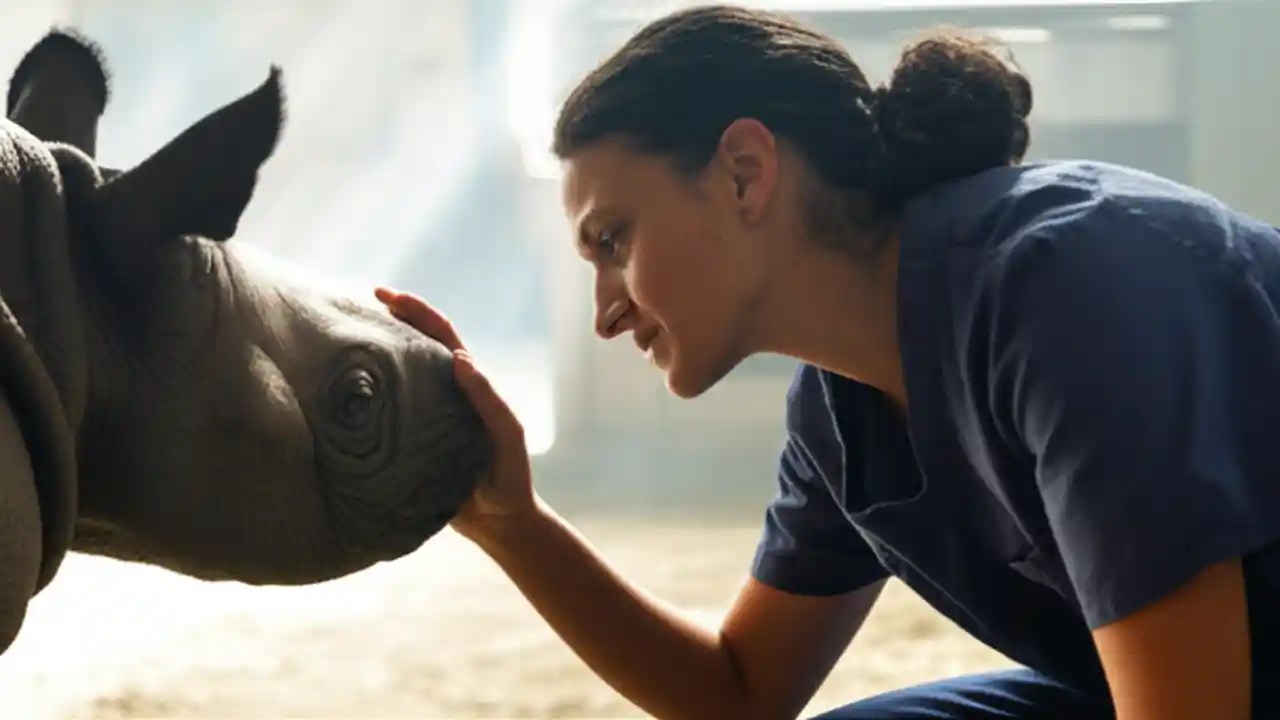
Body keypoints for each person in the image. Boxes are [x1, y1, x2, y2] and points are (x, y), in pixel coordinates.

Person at [375, 5, 1280, 718]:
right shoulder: (839, 410)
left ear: (744, 171)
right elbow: (740, 693)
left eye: (614, 240)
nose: (605, 313)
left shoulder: (1065, 285)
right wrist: (513, 523)